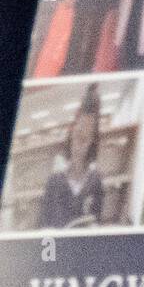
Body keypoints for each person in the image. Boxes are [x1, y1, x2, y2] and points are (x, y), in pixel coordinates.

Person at [39, 83, 105, 229]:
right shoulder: (54, 181)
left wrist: (94, 227)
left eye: (85, 139)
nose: (78, 144)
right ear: (71, 136)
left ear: (91, 143)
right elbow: (43, 224)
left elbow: (97, 220)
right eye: (77, 136)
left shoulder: (95, 181)